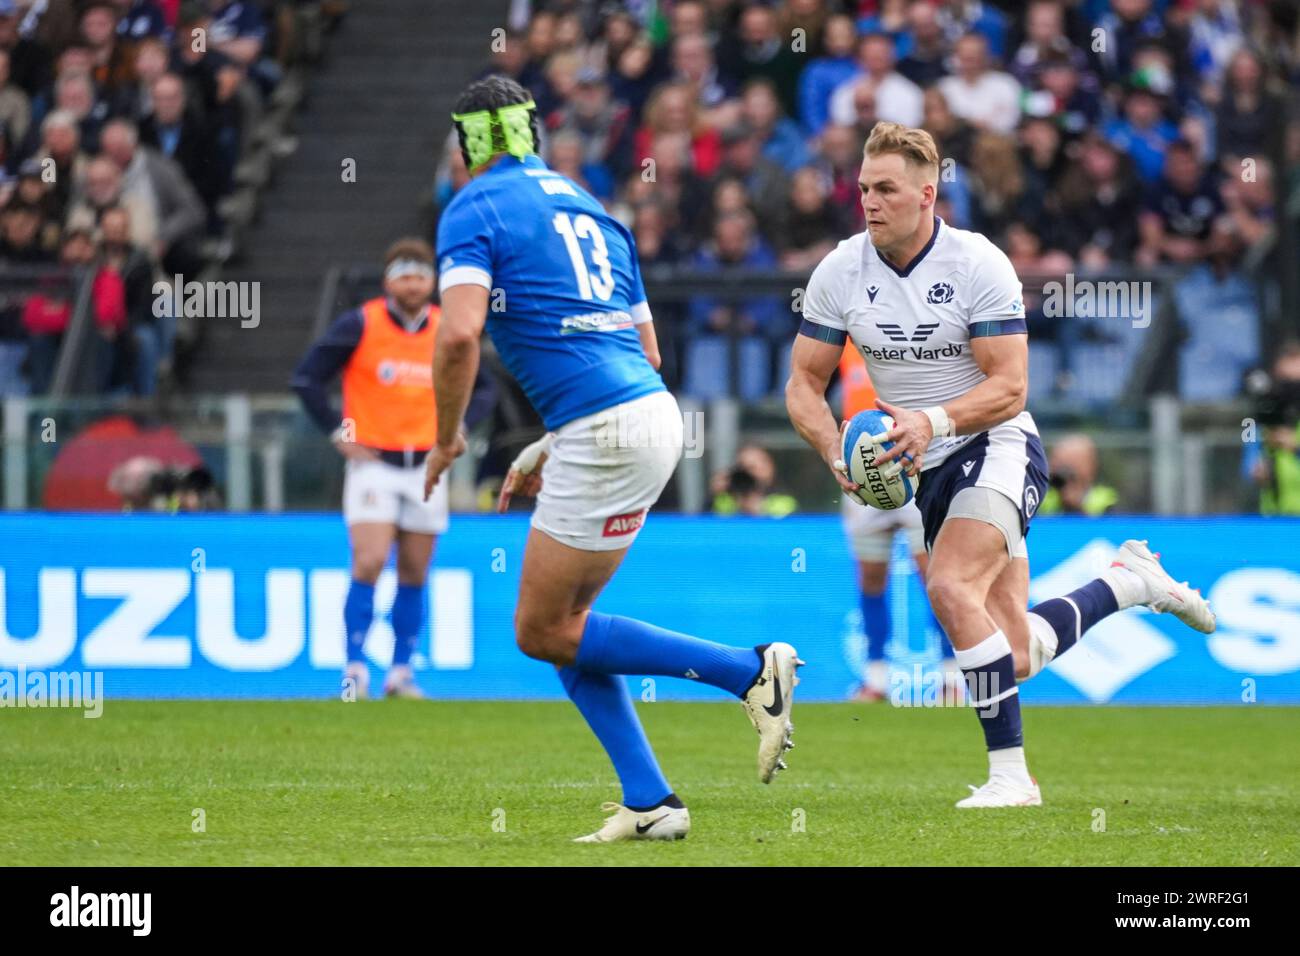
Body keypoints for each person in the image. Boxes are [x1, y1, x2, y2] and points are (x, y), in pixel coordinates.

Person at [785, 121, 1216, 808]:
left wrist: (932, 420)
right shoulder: (840, 269)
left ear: (928, 194)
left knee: (949, 586)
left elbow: (1011, 386)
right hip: (923, 465)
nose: (869, 201)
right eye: (864, 187)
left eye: (887, 189)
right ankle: (1128, 584)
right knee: (1012, 655)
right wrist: (833, 444)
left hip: (998, 443)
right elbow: (802, 385)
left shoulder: (977, 263)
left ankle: (1012, 778)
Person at [425, 76, 802, 844]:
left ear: (469, 142)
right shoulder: (589, 204)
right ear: (532, 131)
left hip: (604, 431)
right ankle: (651, 802)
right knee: (566, 624)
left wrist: (446, 436)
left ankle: (746, 669)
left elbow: (460, 333)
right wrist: (550, 438)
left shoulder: (472, 207)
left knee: (540, 630)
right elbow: (648, 351)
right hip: (644, 416)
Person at [291, 238, 494, 700]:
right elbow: (306, 378)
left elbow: (485, 389)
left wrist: (460, 426)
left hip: (427, 464)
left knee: (416, 571)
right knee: (368, 560)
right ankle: (355, 666)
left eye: (421, 274)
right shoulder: (360, 324)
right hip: (375, 463)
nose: (413, 283)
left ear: (433, 281)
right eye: (404, 274)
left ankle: (401, 671)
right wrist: (337, 431)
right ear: (388, 281)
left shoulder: (449, 328)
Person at [836, 342, 959, 702]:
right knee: (871, 577)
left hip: (914, 467)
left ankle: (950, 678)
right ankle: (876, 679)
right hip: (863, 473)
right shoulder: (840, 342)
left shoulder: (909, 332)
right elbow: (809, 388)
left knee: (933, 577)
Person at [1039, 433, 1118, 516]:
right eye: (1059, 463)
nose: (1063, 472)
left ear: (1091, 466)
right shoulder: (1042, 500)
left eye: (1073, 462)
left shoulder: (1106, 502)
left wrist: (1076, 506)